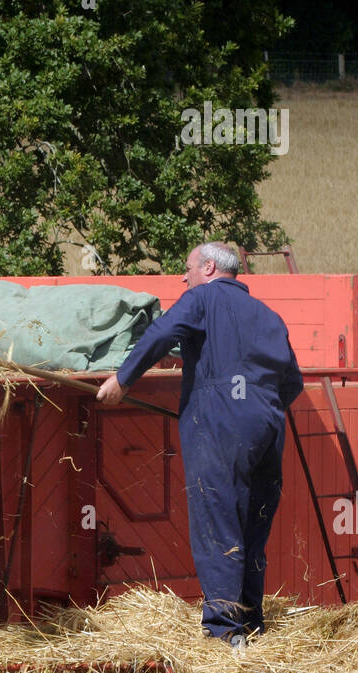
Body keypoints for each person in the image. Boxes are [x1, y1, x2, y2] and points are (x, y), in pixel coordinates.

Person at [96, 242, 304, 645]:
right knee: (251, 527)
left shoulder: (202, 299)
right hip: (269, 427)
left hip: (221, 424)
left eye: (187, 267)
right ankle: (251, 623)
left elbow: (162, 332)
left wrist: (123, 379)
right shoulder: (270, 316)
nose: (183, 276)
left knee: (217, 522)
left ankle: (224, 633)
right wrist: (256, 407)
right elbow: (293, 382)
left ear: (208, 268)